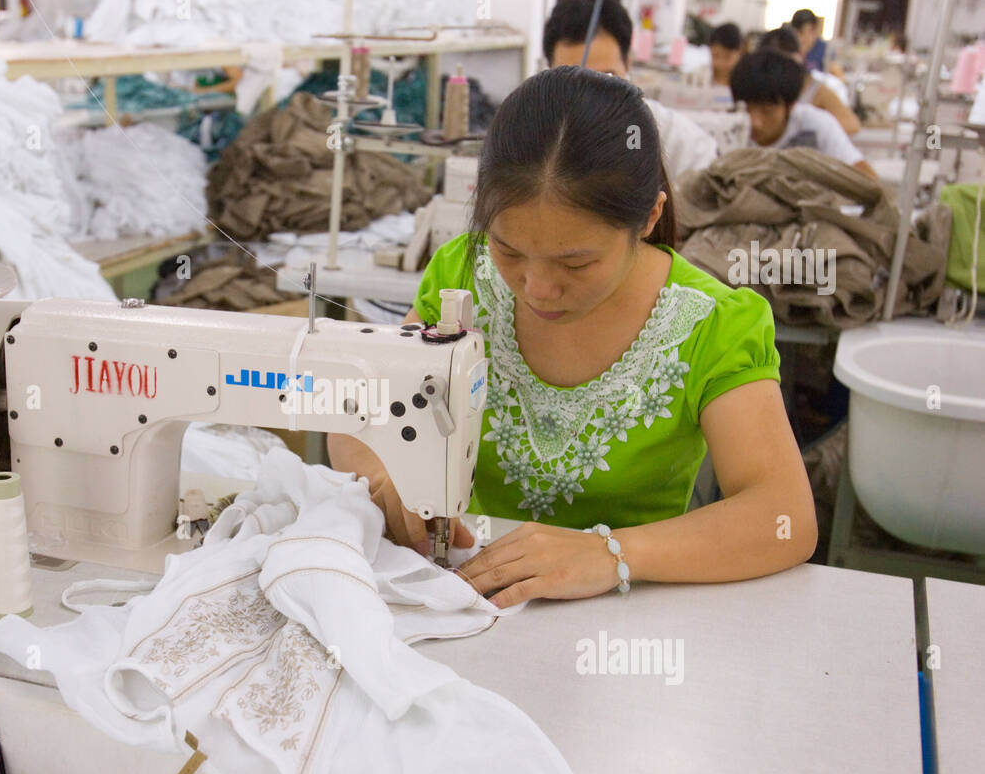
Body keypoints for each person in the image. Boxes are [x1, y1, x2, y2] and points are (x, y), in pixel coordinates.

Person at [328, 67, 817, 605]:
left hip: (631, 619)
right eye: (508, 250)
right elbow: (361, 413)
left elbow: (783, 515)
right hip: (471, 595)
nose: (537, 289)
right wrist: (382, 480)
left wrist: (611, 555)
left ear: (650, 217)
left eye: (576, 262)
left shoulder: (714, 324)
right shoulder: (460, 278)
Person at [542, 0, 718, 180]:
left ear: (627, 64)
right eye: (572, 82)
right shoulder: (533, 138)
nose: (590, 98)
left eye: (607, 78)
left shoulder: (677, 139)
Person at [730, 50, 875, 178]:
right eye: (746, 110)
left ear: (791, 106)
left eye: (767, 112)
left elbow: (867, 179)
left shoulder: (816, 126)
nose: (755, 122)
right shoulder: (727, 129)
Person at [759, 25, 858, 135]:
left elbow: (851, 124)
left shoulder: (814, 88)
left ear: (799, 57)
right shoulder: (757, 88)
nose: (780, 71)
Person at [708, 22, 743, 88]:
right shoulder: (699, 78)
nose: (720, 63)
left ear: (739, 53)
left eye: (727, 57)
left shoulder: (745, 86)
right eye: (716, 56)